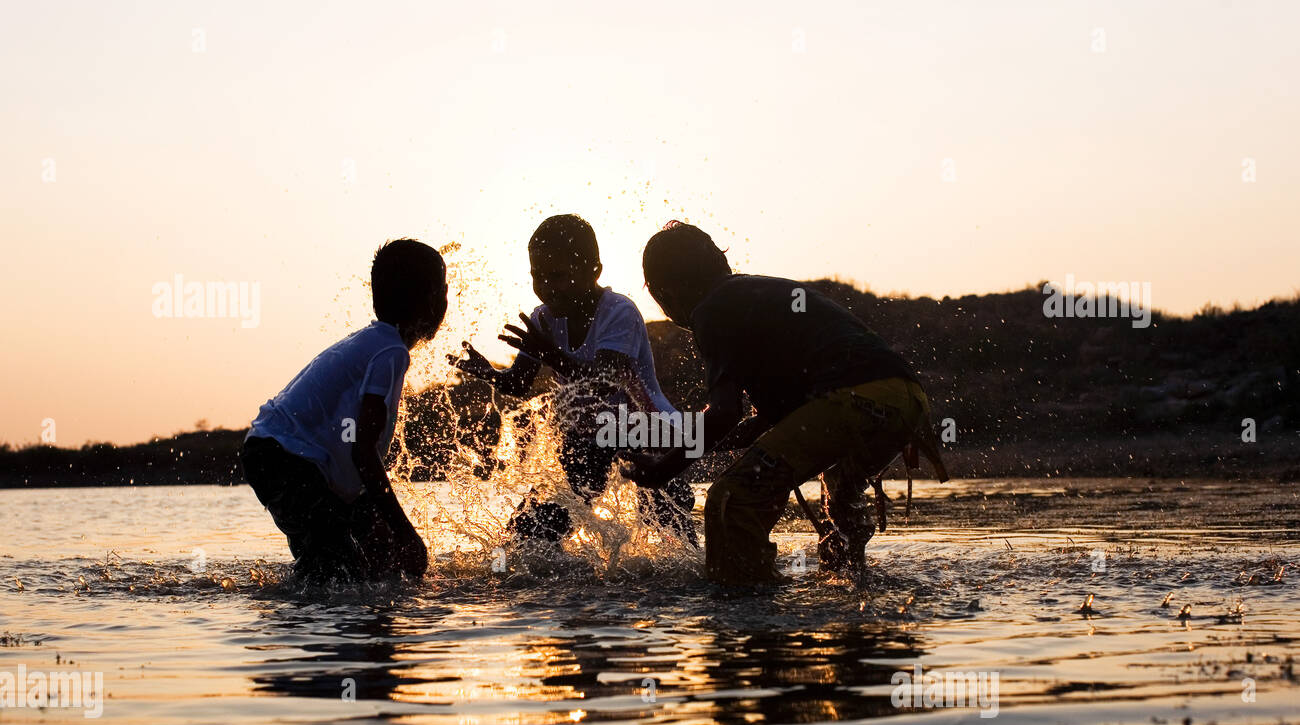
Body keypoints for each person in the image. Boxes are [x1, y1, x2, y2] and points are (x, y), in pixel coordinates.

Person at [622, 221, 947, 584]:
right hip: (905, 398)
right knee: (838, 504)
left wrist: (661, 470)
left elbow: (724, 415)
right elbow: (766, 421)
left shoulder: (712, 309)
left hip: (855, 400)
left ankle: (753, 616)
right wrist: (673, 444)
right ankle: (850, 593)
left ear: (667, 291)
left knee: (731, 500)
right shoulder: (754, 299)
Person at [448, 214, 696, 544]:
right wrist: (489, 374)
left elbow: (605, 380)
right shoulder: (544, 319)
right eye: (538, 276)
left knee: (671, 532)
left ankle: (698, 584)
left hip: (651, 434)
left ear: (594, 270)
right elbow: (520, 385)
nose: (547, 288)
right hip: (590, 439)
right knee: (528, 533)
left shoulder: (618, 312)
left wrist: (550, 355)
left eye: (558, 276)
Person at [240, 239, 446, 581]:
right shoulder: (390, 352)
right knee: (337, 570)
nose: (446, 301)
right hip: (284, 459)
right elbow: (363, 451)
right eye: (443, 291)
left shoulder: (375, 341)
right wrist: (407, 532)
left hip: (278, 454)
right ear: (428, 302)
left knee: (370, 560)